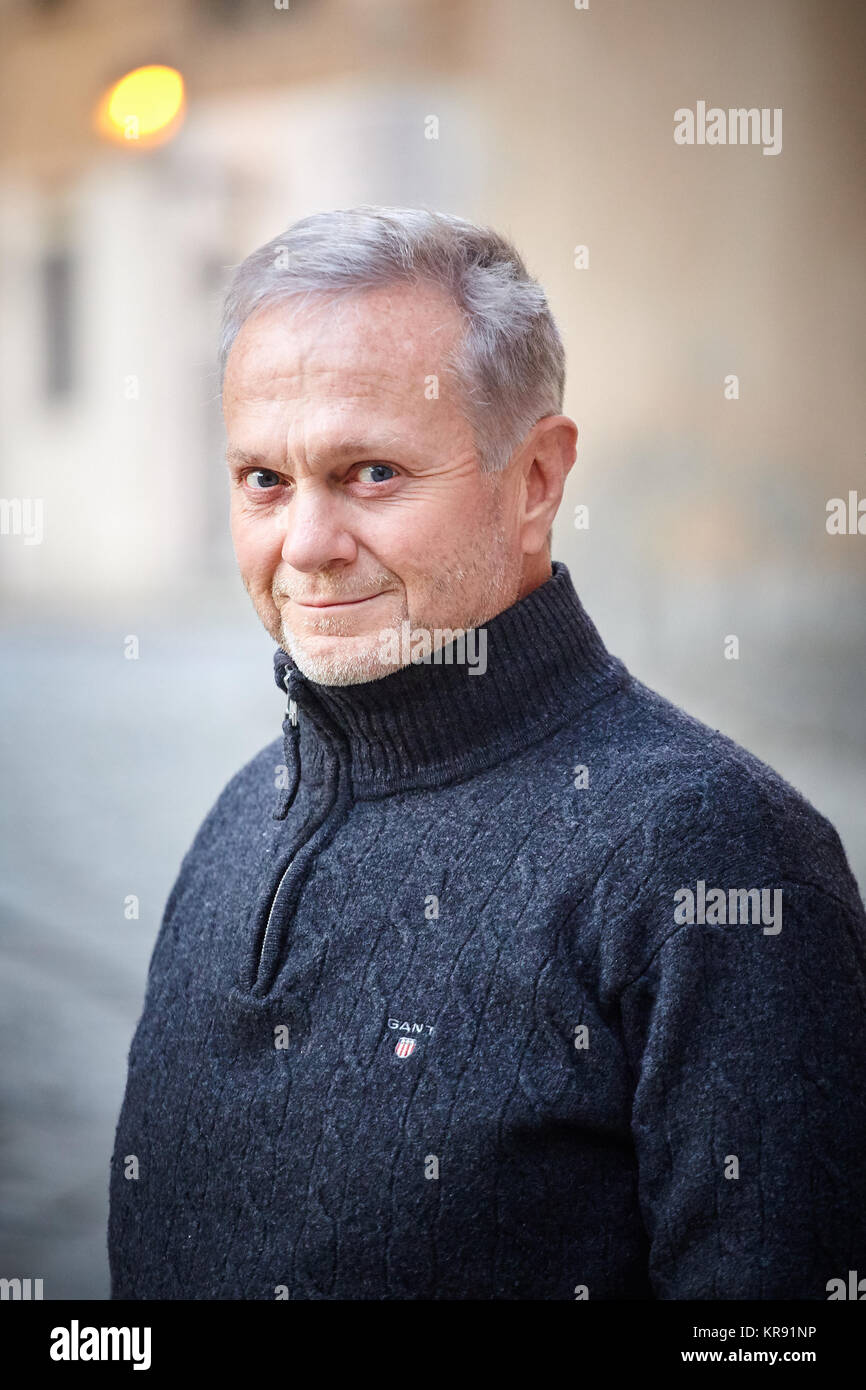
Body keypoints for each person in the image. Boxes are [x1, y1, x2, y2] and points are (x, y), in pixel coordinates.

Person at [108, 205, 866, 1300]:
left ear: (537, 479)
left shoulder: (713, 856)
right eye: (263, 481)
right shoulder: (243, 811)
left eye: (371, 473)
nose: (306, 548)